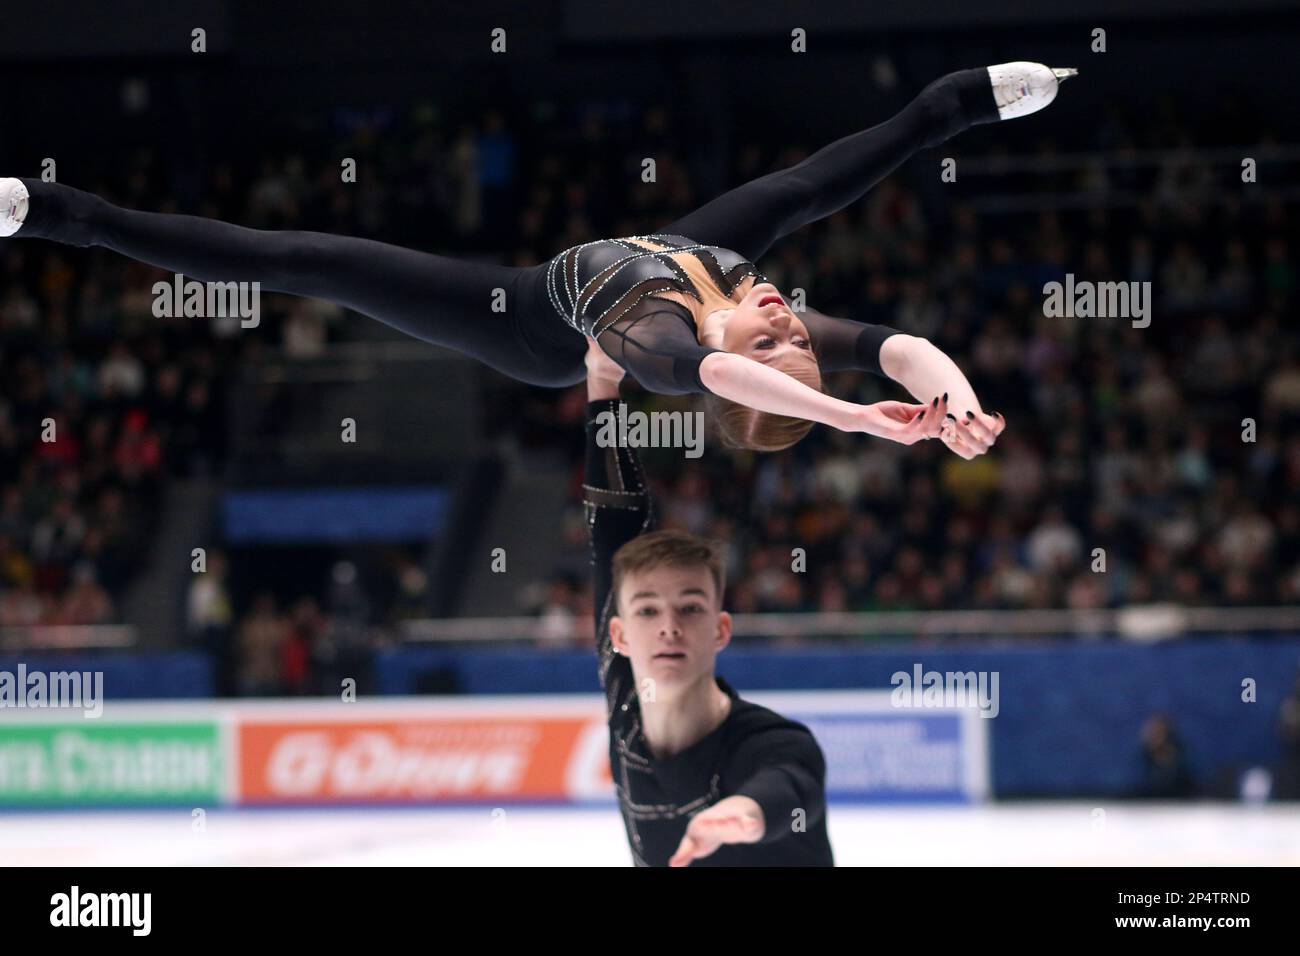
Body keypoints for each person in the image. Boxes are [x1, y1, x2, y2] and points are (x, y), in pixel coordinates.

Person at [1, 63, 1070, 451]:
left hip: (522, 322)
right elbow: (897, 346)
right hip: (652, 267)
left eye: (778, 338)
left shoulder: (662, 342)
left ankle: (61, 213)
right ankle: (966, 98)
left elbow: (723, 370)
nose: (790, 317)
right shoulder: (740, 282)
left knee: (306, 254)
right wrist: (955, 408)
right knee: (820, 182)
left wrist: (849, 423)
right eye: (800, 334)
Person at [582, 338, 832, 865]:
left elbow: (791, 785)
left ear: (721, 629)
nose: (667, 626)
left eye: (690, 607)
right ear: (620, 635)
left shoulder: (770, 742)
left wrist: (743, 812)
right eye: (647, 610)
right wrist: (601, 383)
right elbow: (612, 529)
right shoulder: (626, 690)